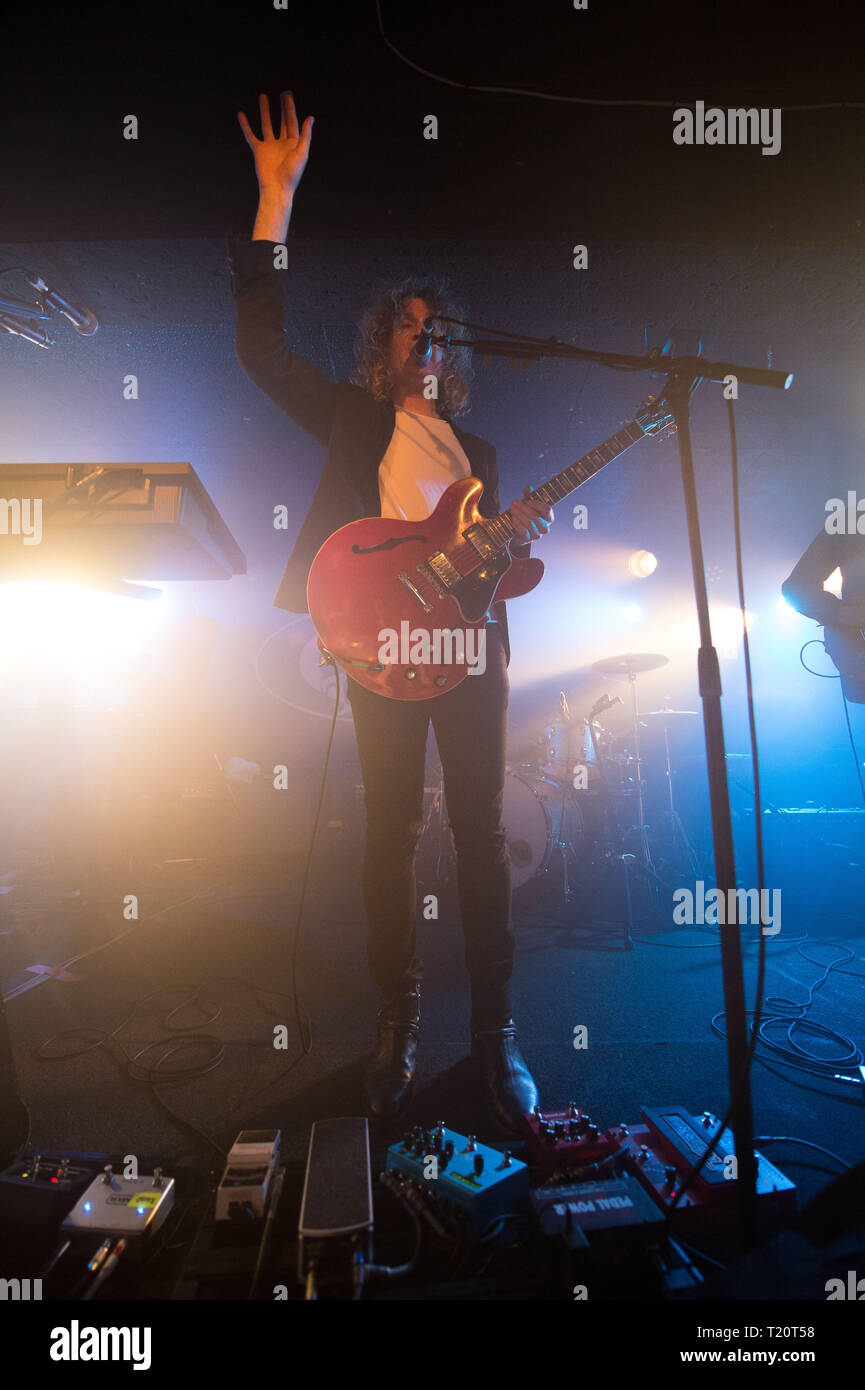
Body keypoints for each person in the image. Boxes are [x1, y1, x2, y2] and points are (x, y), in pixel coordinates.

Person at [229, 92, 554, 1133]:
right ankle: (395, 1030)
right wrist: (274, 201)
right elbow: (259, 348)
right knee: (387, 839)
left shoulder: (484, 456)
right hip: (382, 650)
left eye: (438, 331)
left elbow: (489, 563)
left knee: (480, 831)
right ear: (387, 345)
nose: (427, 341)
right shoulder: (350, 415)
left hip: (469, 648)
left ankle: (496, 1036)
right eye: (411, 327)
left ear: (453, 356)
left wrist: (509, 555)